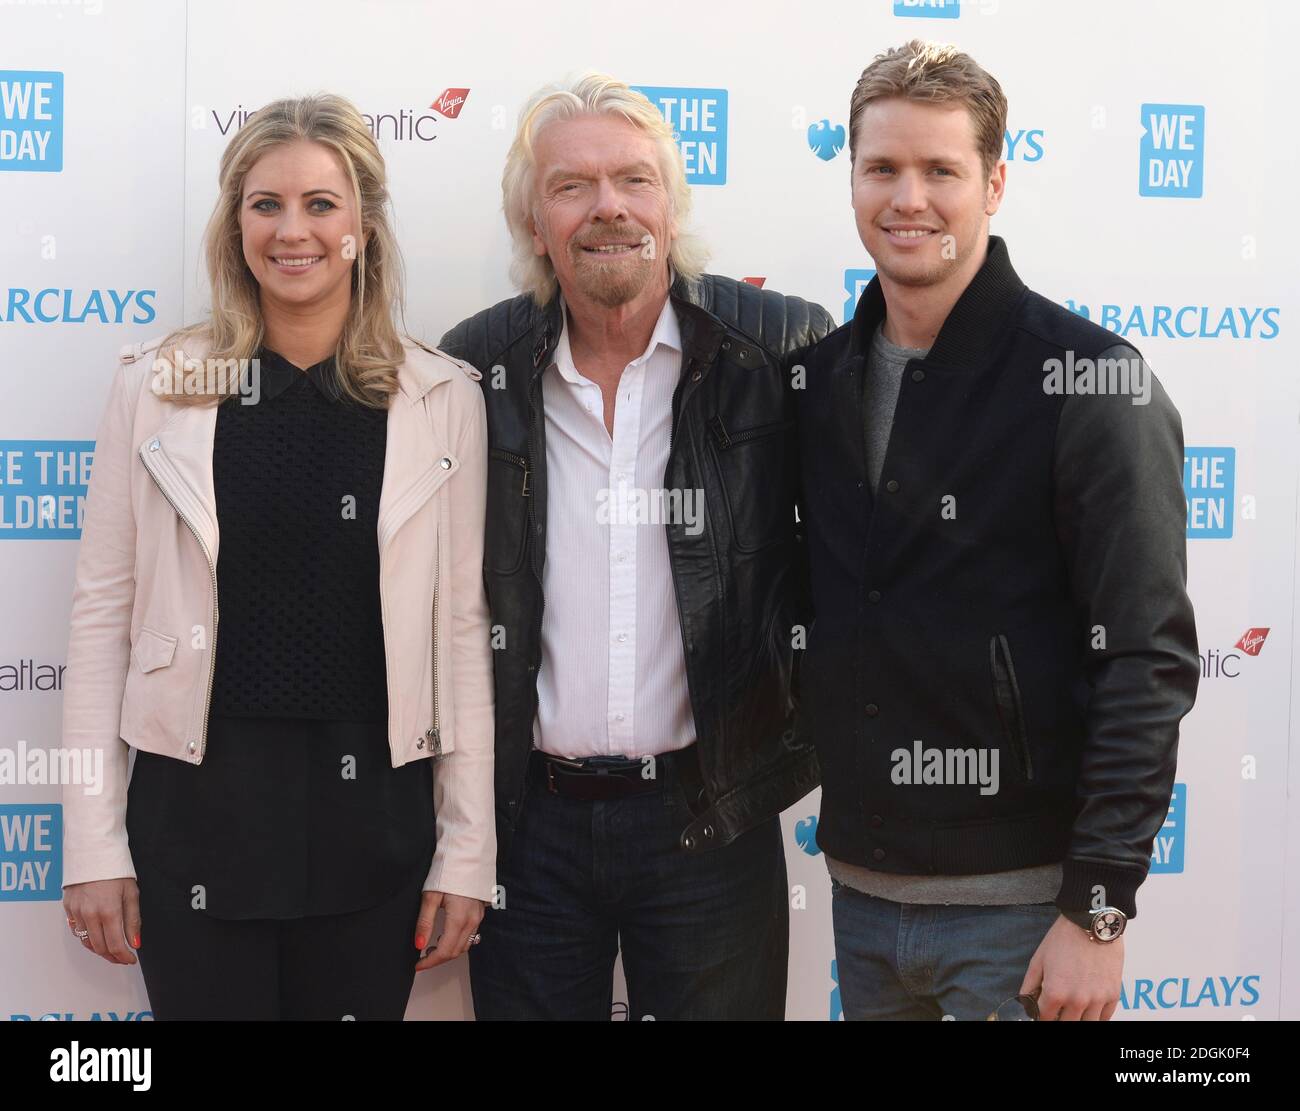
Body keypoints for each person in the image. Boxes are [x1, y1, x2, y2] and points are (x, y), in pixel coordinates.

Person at [59, 93, 495, 1020]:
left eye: (321, 204)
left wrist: (468, 850)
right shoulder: (159, 388)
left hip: (375, 818)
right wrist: (92, 844)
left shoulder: (438, 398)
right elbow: (102, 618)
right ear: (235, 223)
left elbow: (459, 634)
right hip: (196, 817)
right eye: (266, 204)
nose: (292, 230)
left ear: (364, 227)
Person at [792, 40, 1199, 1021]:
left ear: (996, 182)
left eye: (941, 170)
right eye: (883, 167)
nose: (909, 198)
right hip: (858, 894)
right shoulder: (815, 382)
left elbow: (1143, 656)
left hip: (1022, 918)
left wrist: (1097, 909)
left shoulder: (1088, 381)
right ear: (850, 175)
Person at [439, 73, 835, 1020]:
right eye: (571, 185)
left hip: (711, 812)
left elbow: (852, 567)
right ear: (535, 224)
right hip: (527, 829)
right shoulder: (474, 367)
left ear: (670, 205)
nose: (607, 206)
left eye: (634, 180)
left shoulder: (777, 350)